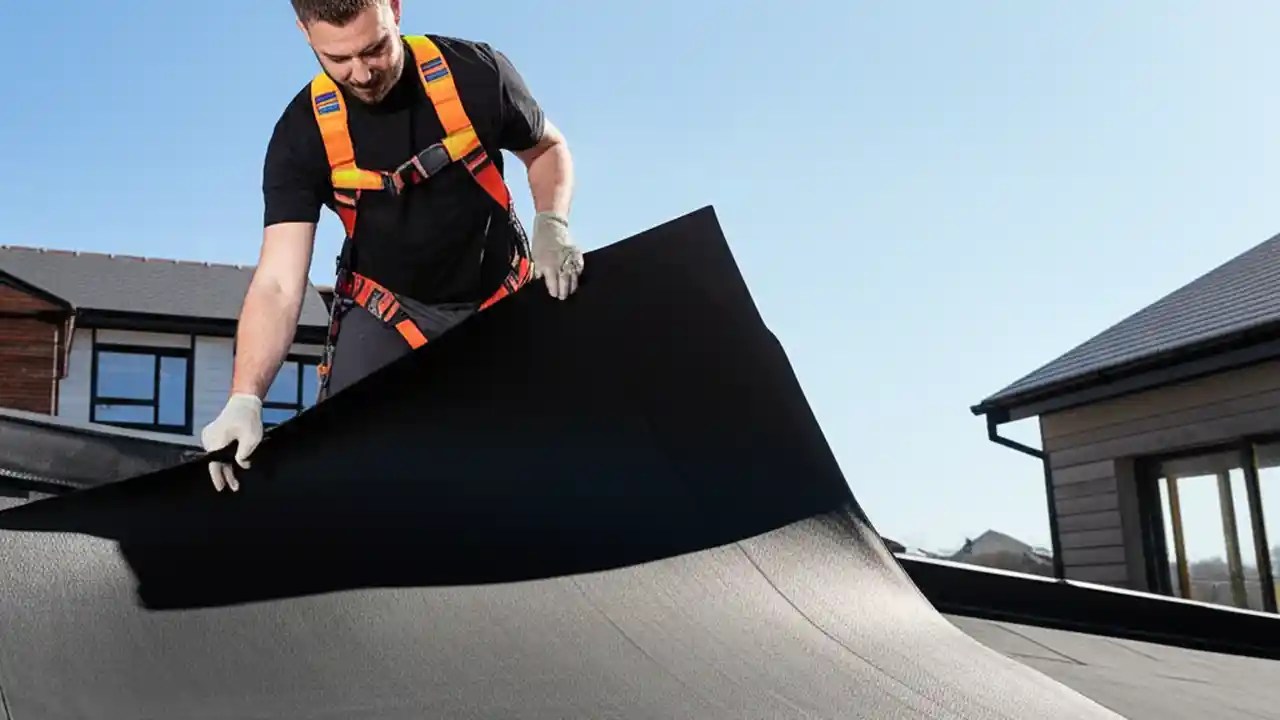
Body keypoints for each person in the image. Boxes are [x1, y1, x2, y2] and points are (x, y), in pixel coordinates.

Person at [200, 0, 584, 492]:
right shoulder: (303, 135)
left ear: (395, 9)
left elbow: (547, 149)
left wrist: (552, 223)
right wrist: (244, 398)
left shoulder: (473, 75)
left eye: (374, 49)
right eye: (337, 60)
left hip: (498, 293)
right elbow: (277, 281)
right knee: (350, 463)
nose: (361, 73)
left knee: (537, 459)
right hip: (390, 312)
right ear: (304, 32)